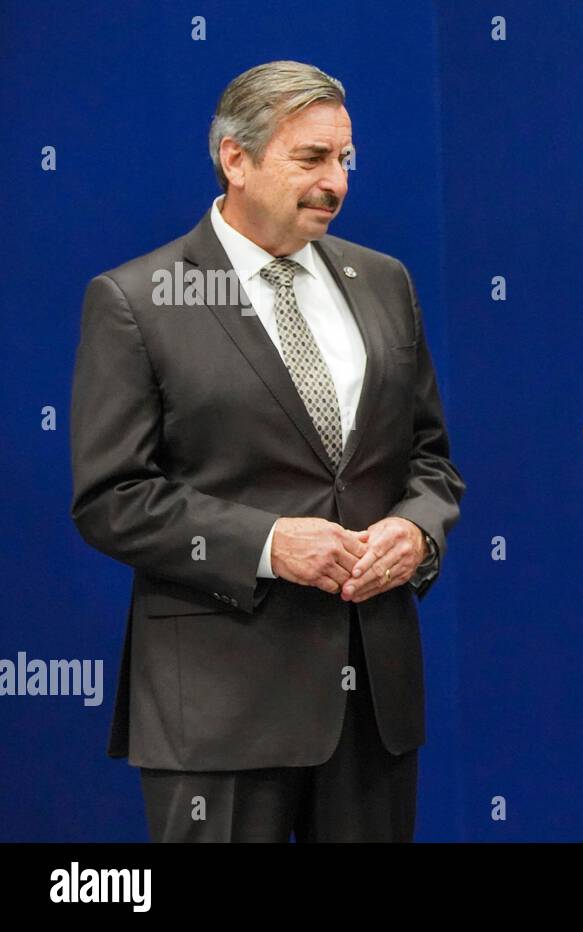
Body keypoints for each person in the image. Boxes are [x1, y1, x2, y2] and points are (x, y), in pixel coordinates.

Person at [69, 61, 465, 842]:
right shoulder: (137, 299)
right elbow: (110, 498)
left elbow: (430, 459)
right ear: (235, 159)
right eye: (311, 159)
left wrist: (417, 531)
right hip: (219, 709)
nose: (336, 182)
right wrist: (272, 544)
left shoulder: (385, 282)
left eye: (344, 160)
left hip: (373, 703)